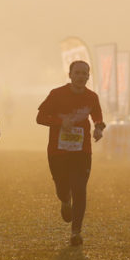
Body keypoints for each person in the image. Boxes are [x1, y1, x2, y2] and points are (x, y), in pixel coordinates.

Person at [37, 60, 105, 247]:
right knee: (63, 189)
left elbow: (98, 117)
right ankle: (65, 201)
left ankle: (76, 232)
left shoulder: (92, 97)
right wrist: (61, 122)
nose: (81, 76)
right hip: (58, 152)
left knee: (80, 189)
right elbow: (40, 117)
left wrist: (98, 128)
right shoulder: (57, 94)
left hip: (82, 151)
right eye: (77, 73)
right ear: (70, 75)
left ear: (88, 76)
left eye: (84, 73)